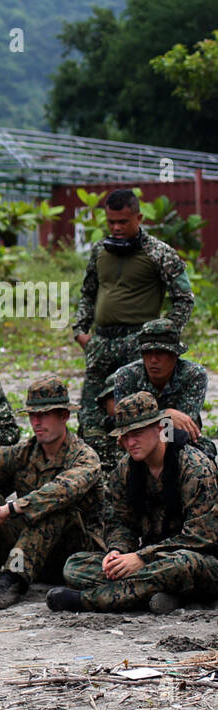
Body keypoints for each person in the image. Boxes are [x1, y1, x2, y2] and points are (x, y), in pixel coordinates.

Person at [49, 392, 218, 615]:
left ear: (159, 427)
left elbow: (200, 537)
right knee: (75, 566)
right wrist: (118, 551)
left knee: (179, 565)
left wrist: (142, 557)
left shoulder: (194, 467)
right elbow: (120, 521)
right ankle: (159, 595)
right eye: (125, 436)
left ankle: (89, 600)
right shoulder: (126, 469)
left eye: (137, 434)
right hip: (149, 559)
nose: (130, 442)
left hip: (198, 559)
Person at [72, 189, 193, 468]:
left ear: (138, 217)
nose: (116, 227)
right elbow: (88, 293)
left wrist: (162, 338)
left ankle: (134, 469)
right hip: (100, 343)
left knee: (132, 412)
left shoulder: (159, 253)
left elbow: (184, 298)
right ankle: (97, 470)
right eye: (111, 221)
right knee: (90, 414)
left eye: (123, 222)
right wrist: (80, 331)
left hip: (138, 344)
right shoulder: (100, 251)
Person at [0, 376, 104, 609]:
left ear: (64, 416)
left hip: (76, 554)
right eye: (32, 415)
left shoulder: (84, 456)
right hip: (32, 548)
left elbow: (60, 491)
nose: (37, 422)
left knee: (53, 509)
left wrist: (11, 508)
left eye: (44, 415)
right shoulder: (23, 452)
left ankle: (12, 580)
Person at [112, 319, 213, 459]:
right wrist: (165, 415)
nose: (153, 359)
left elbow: (181, 427)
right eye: (148, 352)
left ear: (175, 354)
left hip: (178, 440)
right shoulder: (126, 376)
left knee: (203, 457)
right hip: (136, 441)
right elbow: (125, 422)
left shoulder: (193, 374)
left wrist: (152, 421)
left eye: (161, 352)